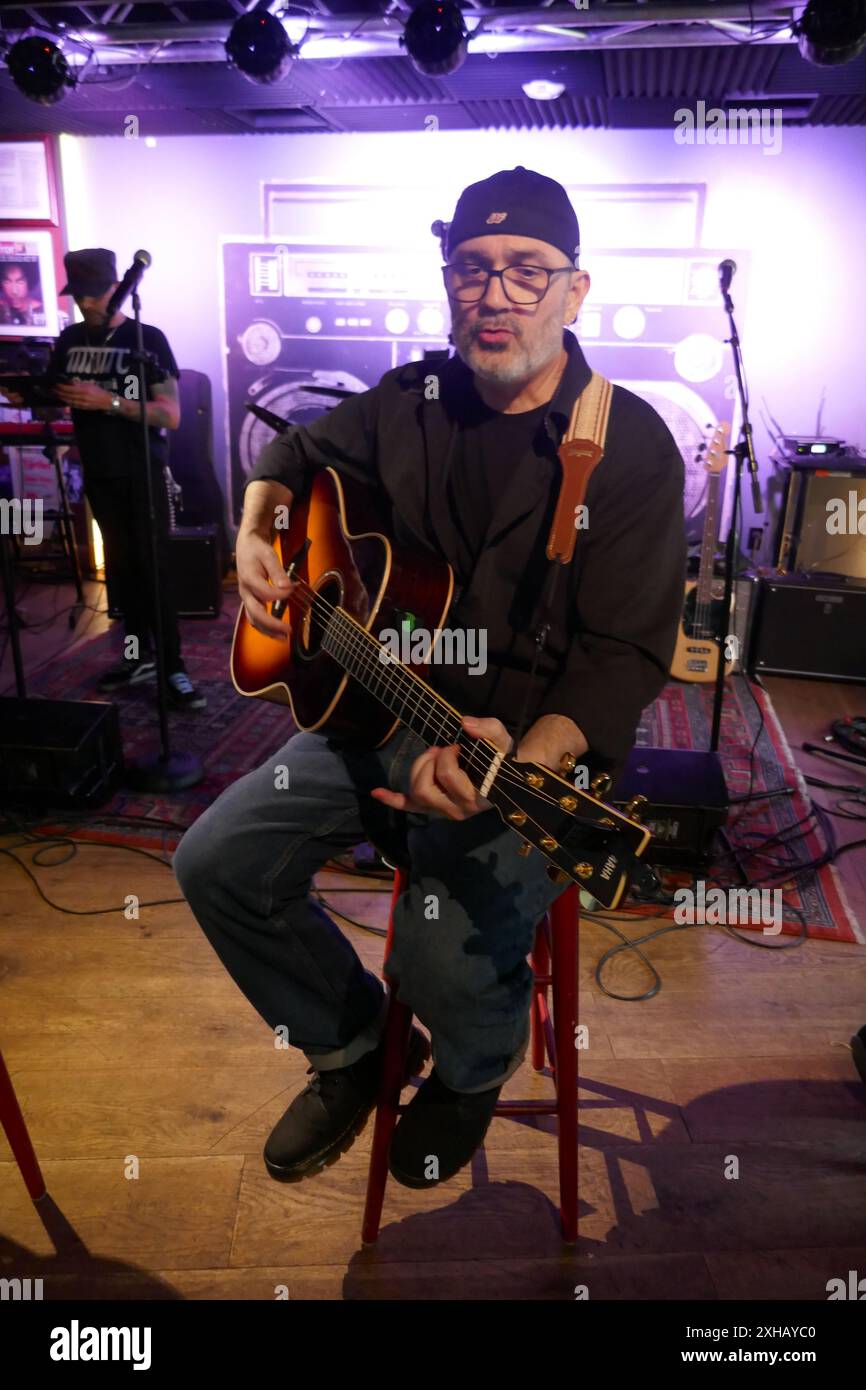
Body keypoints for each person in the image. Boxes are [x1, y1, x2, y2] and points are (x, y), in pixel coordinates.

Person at [174, 167, 687, 1189]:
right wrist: (251, 536)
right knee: (215, 860)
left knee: (432, 944)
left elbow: (621, 654)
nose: (494, 294)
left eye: (526, 271)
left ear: (574, 290)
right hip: (380, 703)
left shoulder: (626, 446)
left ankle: (470, 1066)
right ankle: (354, 1044)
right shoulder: (410, 399)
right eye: (472, 270)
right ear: (448, 280)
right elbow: (291, 447)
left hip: (529, 753)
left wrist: (529, 752)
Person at [18, 248, 203, 708]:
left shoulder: (147, 339)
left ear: (114, 289)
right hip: (99, 471)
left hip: (142, 469)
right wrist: (33, 396)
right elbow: (55, 403)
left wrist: (109, 402)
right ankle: (136, 656)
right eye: (78, 295)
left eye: (93, 294)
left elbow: (171, 415)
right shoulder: (69, 340)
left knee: (153, 569)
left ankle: (173, 667)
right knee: (120, 570)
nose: (85, 304)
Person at [0, 261, 45, 327]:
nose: (14, 291)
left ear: (29, 283)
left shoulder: (43, 310)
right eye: (7, 282)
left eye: (20, 282)